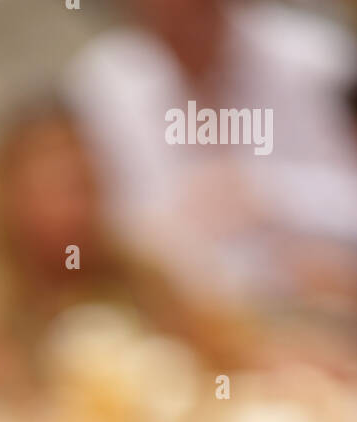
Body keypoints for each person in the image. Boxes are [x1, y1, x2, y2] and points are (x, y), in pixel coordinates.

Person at [0, 105, 254, 405]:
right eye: (57, 189)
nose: (75, 209)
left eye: (86, 186)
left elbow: (225, 353)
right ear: (11, 194)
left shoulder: (140, 275)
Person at [65, 0, 357, 299]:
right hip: (180, 302)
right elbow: (110, 220)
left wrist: (272, 193)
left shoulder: (318, 59)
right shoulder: (104, 81)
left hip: (323, 295)